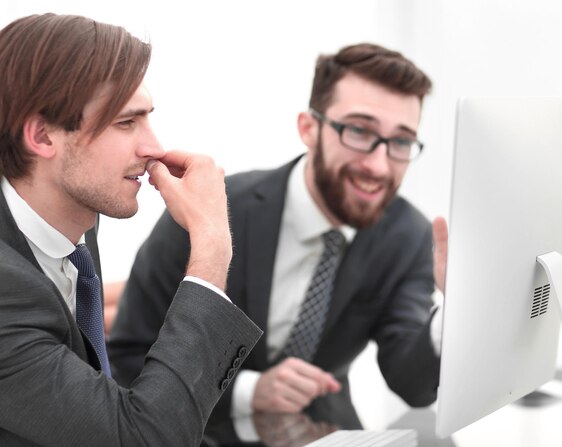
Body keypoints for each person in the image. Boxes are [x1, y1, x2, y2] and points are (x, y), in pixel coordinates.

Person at [0, 13, 262, 447]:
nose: (154, 148)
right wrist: (211, 245)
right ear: (43, 137)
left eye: (147, 118)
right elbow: (146, 440)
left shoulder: (68, 214)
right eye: (126, 123)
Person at [108, 43, 448, 440]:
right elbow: (128, 358)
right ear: (308, 128)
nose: (378, 165)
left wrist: (454, 313)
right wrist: (250, 391)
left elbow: (411, 383)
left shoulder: (410, 236)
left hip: (324, 429)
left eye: (401, 142)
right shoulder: (209, 209)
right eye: (358, 131)